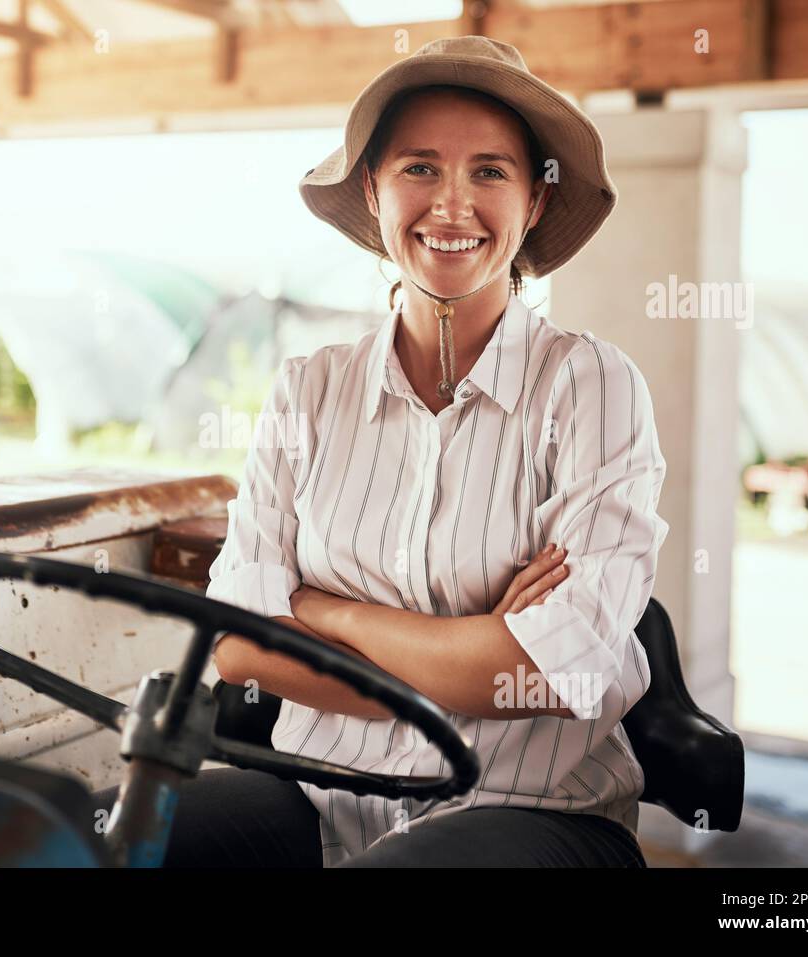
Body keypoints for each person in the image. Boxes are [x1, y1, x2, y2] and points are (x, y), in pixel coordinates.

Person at [93, 35, 669, 868]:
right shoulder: (309, 390)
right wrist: (472, 642)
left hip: (533, 810)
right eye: (420, 168)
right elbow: (243, 642)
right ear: (373, 188)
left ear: (535, 203)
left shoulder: (591, 387)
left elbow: (548, 672)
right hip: (317, 791)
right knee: (95, 834)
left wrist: (324, 610)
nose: (452, 205)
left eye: (491, 172)